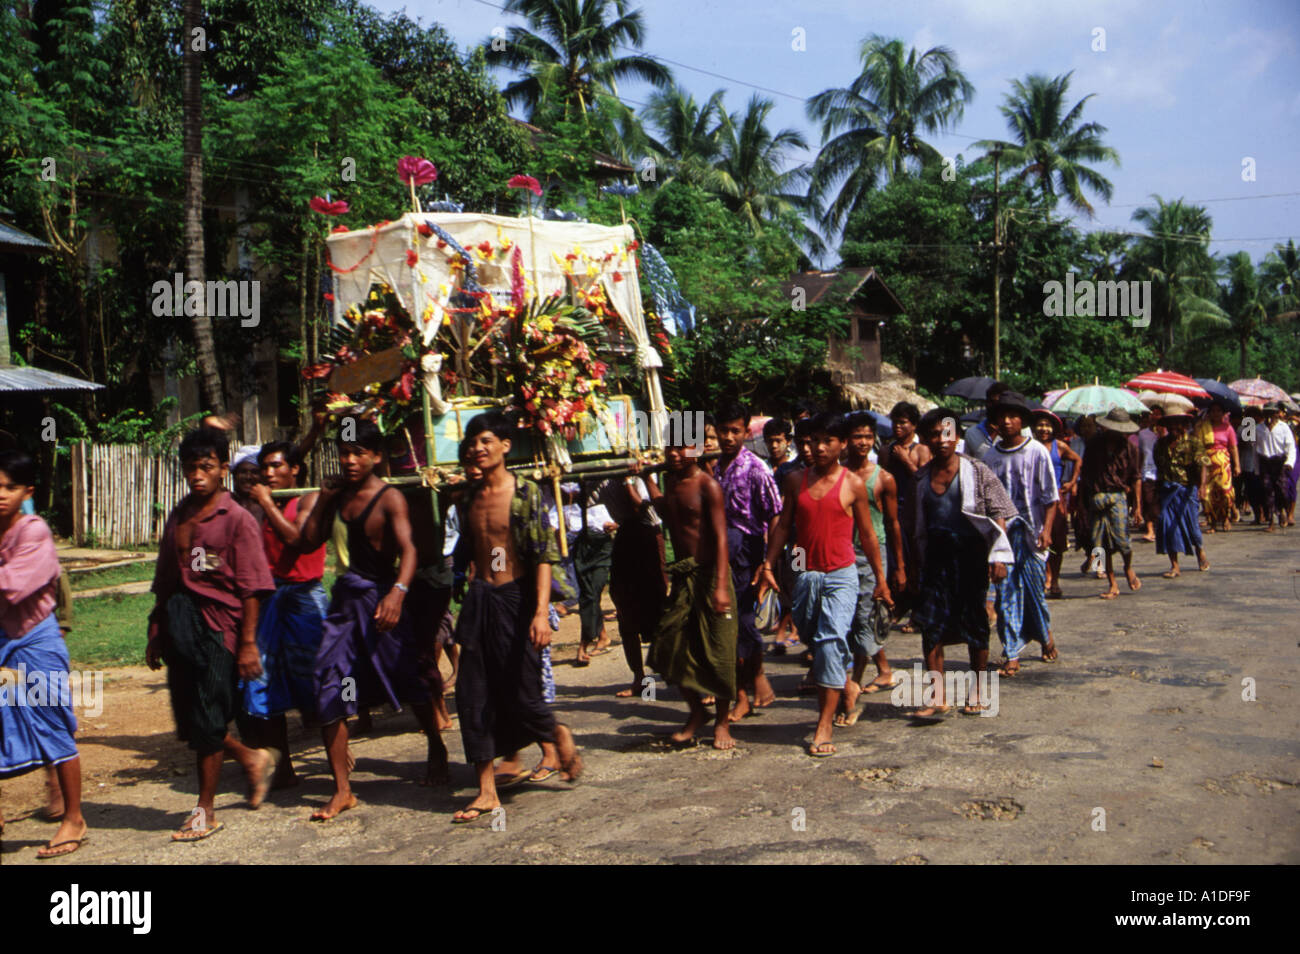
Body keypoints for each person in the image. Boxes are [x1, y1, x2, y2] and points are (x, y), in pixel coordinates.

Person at [298, 418, 444, 820]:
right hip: (345, 604)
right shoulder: (338, 497)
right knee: (330, 681)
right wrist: (325, 500)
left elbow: (409, 550)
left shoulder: (390, 498)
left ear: (376, 456)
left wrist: (398, 592)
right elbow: (309, 540)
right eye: (343, 452)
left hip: (382, 601)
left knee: (408, 677)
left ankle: (436, 746)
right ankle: (342, 788)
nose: (349, 460)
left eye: (358, 452)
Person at [449, 412, 581, 823]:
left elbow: (544, 556)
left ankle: (554, 732)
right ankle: (486, 791)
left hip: (516, 599)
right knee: (472, 694)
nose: (478, 448)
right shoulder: (468, 496)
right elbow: (481, 549)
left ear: (505, 446)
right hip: (482, 598)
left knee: (521, 690)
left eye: (486, 440)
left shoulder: (525, 492)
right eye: (473, 442)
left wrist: (541, 613)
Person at [147, 428, 276, 841]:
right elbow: (165, 577)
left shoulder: (236, 518)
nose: (197, 475)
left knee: (210, 715)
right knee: (190, 720)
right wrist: (155, 629)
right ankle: (251, 758)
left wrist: (249, 643)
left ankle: (205, 811)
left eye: (206, 467)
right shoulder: (180, 513)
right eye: (190, 468)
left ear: (223, 469)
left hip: (220, 626)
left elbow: (253, 586)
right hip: (178, 624)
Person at [757, 413, 890, 755]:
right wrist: (770, 564)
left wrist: (882, 580)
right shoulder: (796, 480)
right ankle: (845, 684)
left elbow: (868, 535)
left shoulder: (853, 484)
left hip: (841, 573)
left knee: (830, 641)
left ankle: (824, 724)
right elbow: (787, 528)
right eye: (813, 441)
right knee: (812, 637)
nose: (817, 447)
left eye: (826, 441)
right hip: (805, 569)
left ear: (841, 444)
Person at [0, 449, 88, 858]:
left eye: (9, 487)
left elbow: (12, 586)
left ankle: (74, 818)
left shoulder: (34, 532)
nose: (0, 494)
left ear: (26, 492)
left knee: (54, 726)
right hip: (3, 640)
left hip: (35, 640)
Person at [909, 410, 1017, 716]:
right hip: (935, 559)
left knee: (975, 623)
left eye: (947, 433)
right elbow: (915, 527)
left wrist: (998, 556)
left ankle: (979, 689)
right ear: (926, 438)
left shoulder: (978, 471)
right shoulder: (920, 478)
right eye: (934, 434)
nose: (941, 440)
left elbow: (1000, 512)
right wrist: (911, 567)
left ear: (957, 437)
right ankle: (936, 696)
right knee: (930, 625)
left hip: (970, 557)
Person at [239, 441, 328, 791]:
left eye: (277, 466)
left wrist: (264, 503)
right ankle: (285, 765)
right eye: (266, 468)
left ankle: (336, 759)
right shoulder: (261, 504)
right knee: (264, 680)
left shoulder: (308, 498)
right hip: (269, 597)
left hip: (305, 596)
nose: (269, 473)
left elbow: (298, 540)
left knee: (320, 678)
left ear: (295, 470)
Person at [641, 436, 737, 749]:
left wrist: (721, 586)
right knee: (668, 647)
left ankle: (722, 722)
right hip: (683, 576)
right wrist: (644, 479)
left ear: (696, 450)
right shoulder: (670, 482)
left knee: (718, 652)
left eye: (682, 447)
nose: (674, 453)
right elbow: (667, 510)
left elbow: (722, 538)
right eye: (670, 447)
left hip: (711, 576)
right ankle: (697, 711)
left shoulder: (707, 485)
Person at [982, 392, 1059, 676]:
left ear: (1021, 420)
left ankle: (1046, 636)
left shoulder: (1036, 451)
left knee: (1035, 594)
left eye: (1012, 416)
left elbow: (1051, 497)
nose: (1006, 421)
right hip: (1003, 535)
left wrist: (1047, 530)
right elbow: (988, 505)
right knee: (1006, 594)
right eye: (1001, 416)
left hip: (1034, 534)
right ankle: (1011, 652)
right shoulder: (990, 457)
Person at [714, 400, 782, 722]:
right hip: (719, 553)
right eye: (723, 431)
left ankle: (754, 679)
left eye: (735, 431)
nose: (729, 437)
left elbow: (776, 515)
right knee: (724, 627)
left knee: (743, 622)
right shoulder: (712, 467)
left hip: (748, 552)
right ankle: (740, 692)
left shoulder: (757, 468)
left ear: (745, 431)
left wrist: (767, 561)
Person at [841, 412, 905, 707]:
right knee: (848, 619)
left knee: (866, 615)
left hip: (872, 553)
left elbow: (893, 524)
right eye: (857, 436)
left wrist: (899, 568)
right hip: (840, 552)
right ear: (846, 440)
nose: (863, 442)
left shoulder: (884, 478)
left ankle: (853, 681)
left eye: (868, 437)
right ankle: (882, 669)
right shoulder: (836, 475)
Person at [608, 473, 667, 699]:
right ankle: (640, 679)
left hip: (647, 537)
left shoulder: (643, 472)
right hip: (625, 540)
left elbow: (640, 507)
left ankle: (660, 678)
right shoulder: (608, 479)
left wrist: (628, 479)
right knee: (626, 617)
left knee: (657, 613)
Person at [878, 402, 931, 631]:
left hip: (915, 511)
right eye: (895, 422)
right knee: (894, 559)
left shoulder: (921, 450)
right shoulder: (886, 450)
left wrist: (906, 460)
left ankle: (918, 613)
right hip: (892, 510)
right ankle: (897, 605)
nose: (897, 427)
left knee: (915, 561)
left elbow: (925, 479)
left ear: (914, 425)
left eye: (903, 423)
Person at [1079, 409, 1143, 599]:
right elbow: (1086, 473)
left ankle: (1128, 567)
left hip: (1118, 496)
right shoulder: (1093, 445)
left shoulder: (1131, 449)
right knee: (1099, 543)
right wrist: (1083, 502)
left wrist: (1138, 506)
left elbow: (1136, 478)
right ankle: (1112, 583)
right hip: (1098, 497)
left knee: (1123, 541)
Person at [1153, 409, 1211, 577]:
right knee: (1165, 523)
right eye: (1170, 424)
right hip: (1167, 490)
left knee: (1192, 526)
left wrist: (1202, 486)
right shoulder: (1160, 444)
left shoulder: (1193, 443)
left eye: (1177, 423)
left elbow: (1204, 463)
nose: (1173, 427)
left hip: (1187, 490)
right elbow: (1159, 467)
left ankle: (1200, 551)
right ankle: (1174, 566)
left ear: (1185, 425)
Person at [1031, 409, 1080, 598]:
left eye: (1047, 425)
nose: (1044, 428)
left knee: (1057, 542)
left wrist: (1072, 482)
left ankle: (1055, 580)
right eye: (1040, 425)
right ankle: (1045, 578)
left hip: (1057, 501)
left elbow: (1078, 460)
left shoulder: (1059, 446)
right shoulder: (1030, 446)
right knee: (1038, 541)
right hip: (1035, 501)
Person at [572, 479, 616, 666]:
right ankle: (602, 636)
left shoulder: (608, 487)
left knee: (594, 592)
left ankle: (584, 643)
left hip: (602, 545)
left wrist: (616, 525)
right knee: (588, 595)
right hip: (581, 547)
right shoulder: (569, 494)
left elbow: (628, 515)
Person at [1194, 400, 1240, 532]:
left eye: (1218, 411)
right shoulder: (1203, 427)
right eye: (1213, 411)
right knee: (1208, 494)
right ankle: (1212, 522)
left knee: (1225, 493)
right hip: (1207, 464)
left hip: (1223, 464)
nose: (1216, 413)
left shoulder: (1228, 428)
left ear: (1223, 413)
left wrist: (1237, 465)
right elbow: (1198, 445)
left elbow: (1233, 447)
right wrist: (1198, 427)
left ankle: (1225, 518)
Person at [1256, 402, 1296, 532]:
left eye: (1271, 413)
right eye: (1266, 413)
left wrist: (1289, 462)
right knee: (1267, 491)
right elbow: (1253, 448)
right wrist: (1256, 467)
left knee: (1282, 490)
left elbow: (1291, 447)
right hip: (1265, 462)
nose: (1269, 417)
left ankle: (1282, 509)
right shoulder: (1258, 429)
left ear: (1276, 414)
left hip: (1279, 463)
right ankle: (1271, 520)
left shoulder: (1283, 427)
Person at [1133, 406, 1164, 541]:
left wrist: (1162, 436)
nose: (1155, 417)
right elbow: (1140, 452)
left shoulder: (1167, 433)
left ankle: (1160, 528)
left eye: (1158, 414)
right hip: (1147, 471)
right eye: (1152, 414)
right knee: (1148, 500)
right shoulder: (1143, 434)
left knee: (1160, 501)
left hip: (1163, 471)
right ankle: (1150, 529)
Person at [960, 381, 1011, 460]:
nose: (994, 407)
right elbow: (968, 464)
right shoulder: (972, 433)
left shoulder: (1020, 430)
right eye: (991, 402)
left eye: (998, 403)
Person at [762, 418, 800, 483]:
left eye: (778, 441)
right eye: (770, 441)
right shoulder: (762, 467)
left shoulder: (797, 466)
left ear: (788, 441)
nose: (774, 445)